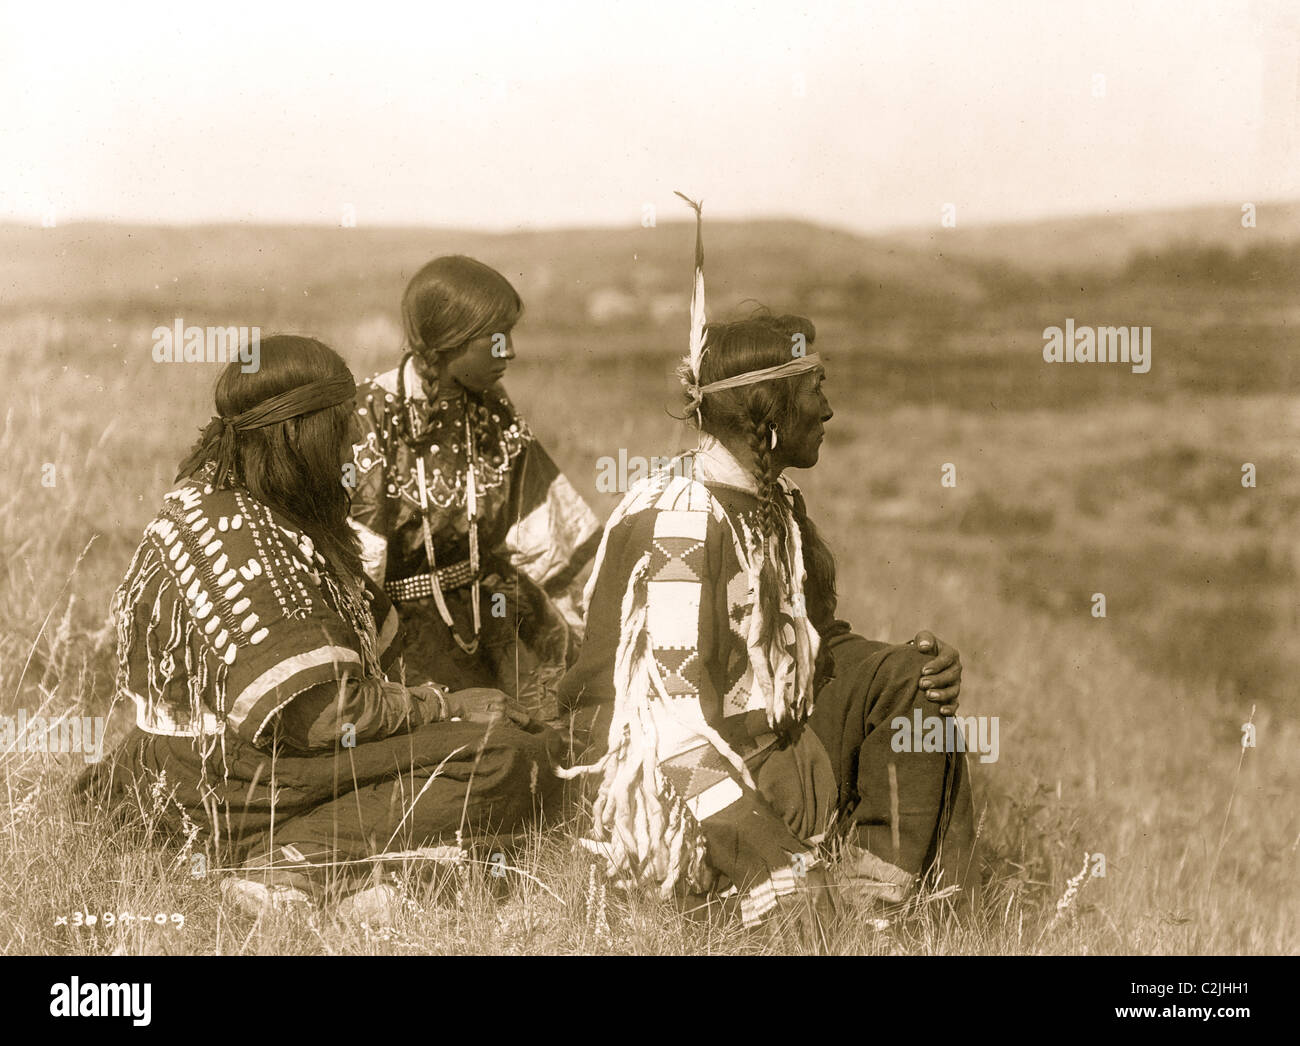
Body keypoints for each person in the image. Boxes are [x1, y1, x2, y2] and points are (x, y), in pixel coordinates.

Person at [558, 203, 978, 940]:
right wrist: (768, 860)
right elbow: (667, 725)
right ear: (767, 408)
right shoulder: (682, 524)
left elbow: (804, 645)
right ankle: (799, 905)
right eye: (814, 391)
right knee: (788, 901)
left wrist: (911, 669)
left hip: (765, 738)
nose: (832, 410)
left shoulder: (772, 505)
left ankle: (881, 907)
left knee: (912, 682)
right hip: (684, 774)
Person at [79, 335, 562, 917]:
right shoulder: (245, 539)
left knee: (515, 740)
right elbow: (328, 716)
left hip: (195, 769)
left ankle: (335, 864)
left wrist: (467, 697)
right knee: (505, 760)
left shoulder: (249, 505)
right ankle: (290, 864)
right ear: (293, 434)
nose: (354, 451)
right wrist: (446, 709)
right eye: (340, 432)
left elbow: (387, 643)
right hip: (232, 782)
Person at [349, 256, 602, 725]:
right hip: (401, 635)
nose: (511, 352)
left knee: (560, 729)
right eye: (498, 337)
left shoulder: (492, 409)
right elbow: (359, 564)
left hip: (495, 621)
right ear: (450, 339)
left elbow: (543, 531)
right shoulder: (370, 415)